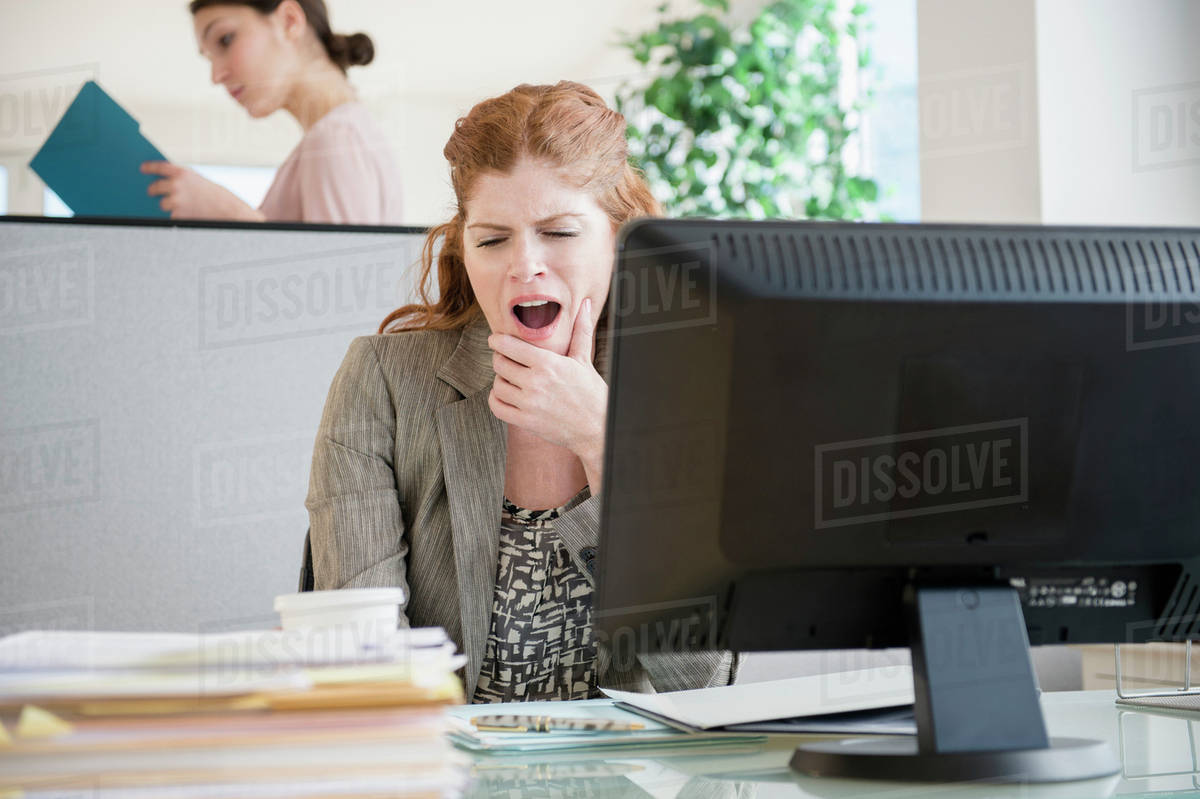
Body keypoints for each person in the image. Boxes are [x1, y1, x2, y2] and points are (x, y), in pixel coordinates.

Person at [306, 81, 735, 701]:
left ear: (621, 241)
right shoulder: (382, 382)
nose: (524, 265)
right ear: (464, 247)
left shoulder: (688, 385)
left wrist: (604, 441)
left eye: (559, 233)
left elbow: (702, 679)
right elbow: (359, 657)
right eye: (492, 238)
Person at [140, 0, 402, 224]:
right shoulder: (342, 134)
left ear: (289, 20)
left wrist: (229, 214)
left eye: (225, 40)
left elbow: (341, 280)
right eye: (209, 58)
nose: (216, 75)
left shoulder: (336, 138)